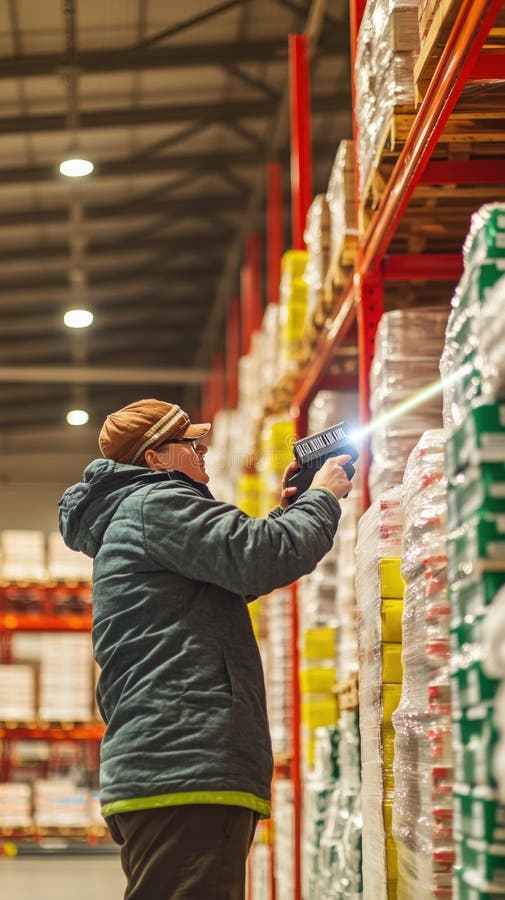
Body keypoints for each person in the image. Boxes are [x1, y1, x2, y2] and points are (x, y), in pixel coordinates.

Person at [58, 398, 353, 900]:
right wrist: (322, 497)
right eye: (191, 444)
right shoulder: (156, 504)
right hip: (185, 767)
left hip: (169, 767)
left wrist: (293, 509)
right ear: (155, 458)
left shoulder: (137, 516)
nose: (204, 451)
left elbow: (235, 572)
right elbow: (262, 557)